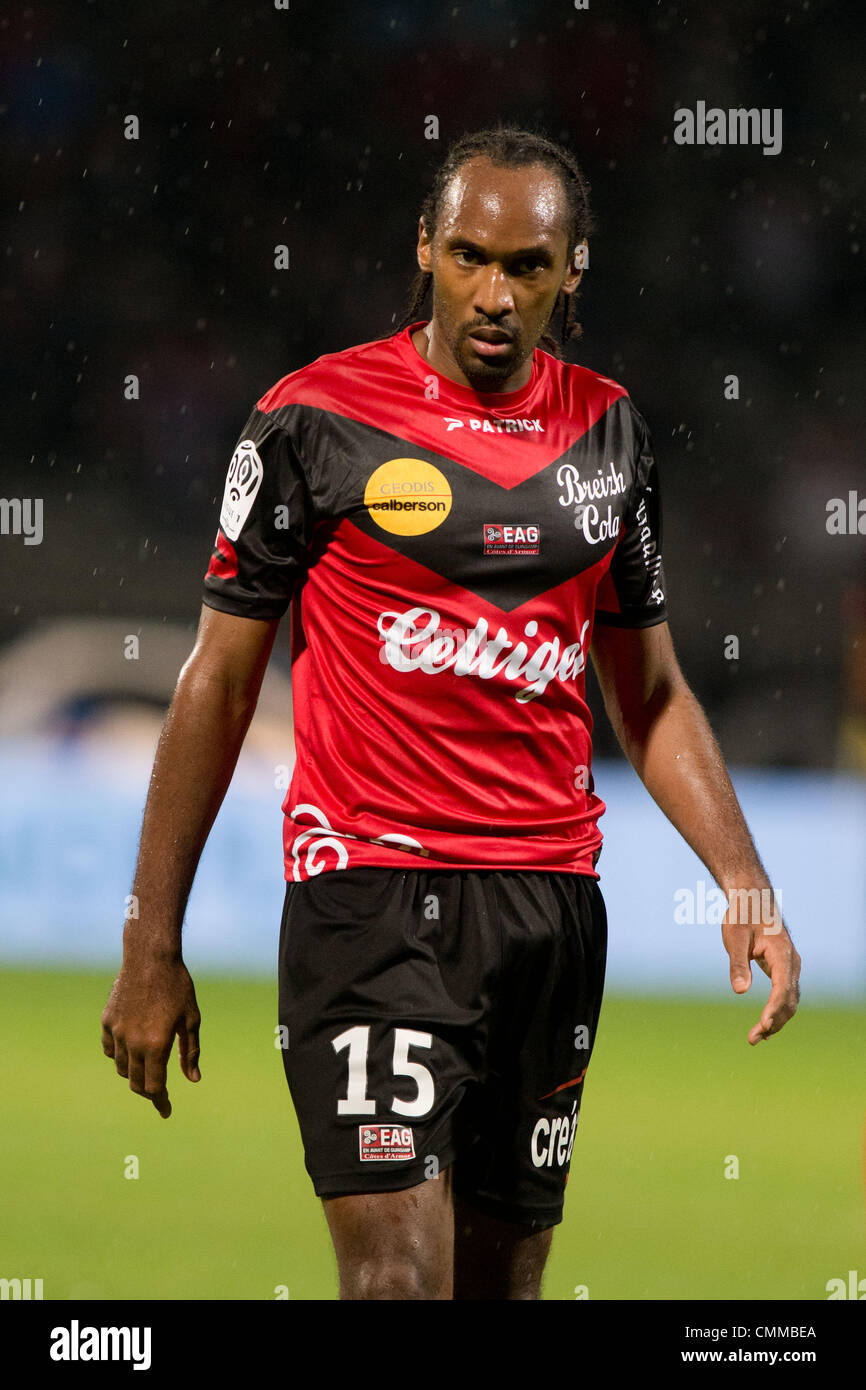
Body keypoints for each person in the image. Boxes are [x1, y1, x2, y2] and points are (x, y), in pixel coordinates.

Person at [101, 125, 801, 1301]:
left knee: (499, 1291)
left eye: (526, 266)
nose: (492, 292)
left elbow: (651, 693)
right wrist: (149, 940)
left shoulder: (611, 436)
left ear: (572, 272)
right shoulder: (310, 422)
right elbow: (217, 680)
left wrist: (742, 879)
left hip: (548, 913)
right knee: (396, 1285)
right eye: (467, 255)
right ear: (423, 248)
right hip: (368, 898)